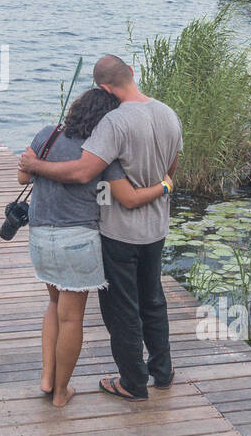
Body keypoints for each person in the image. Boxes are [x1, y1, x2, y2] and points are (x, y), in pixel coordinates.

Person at [18, 55, 182, 402]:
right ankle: (163, 372)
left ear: (103, 88)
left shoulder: (114, 122)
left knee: (122, 310)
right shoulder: (168, 113)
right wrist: (164, 187)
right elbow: (171, 166)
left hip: (119, 233)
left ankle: (133, 383)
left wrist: (37, 165)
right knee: (152, 300)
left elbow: (82, 172)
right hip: (156, 229)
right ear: (131, 73)